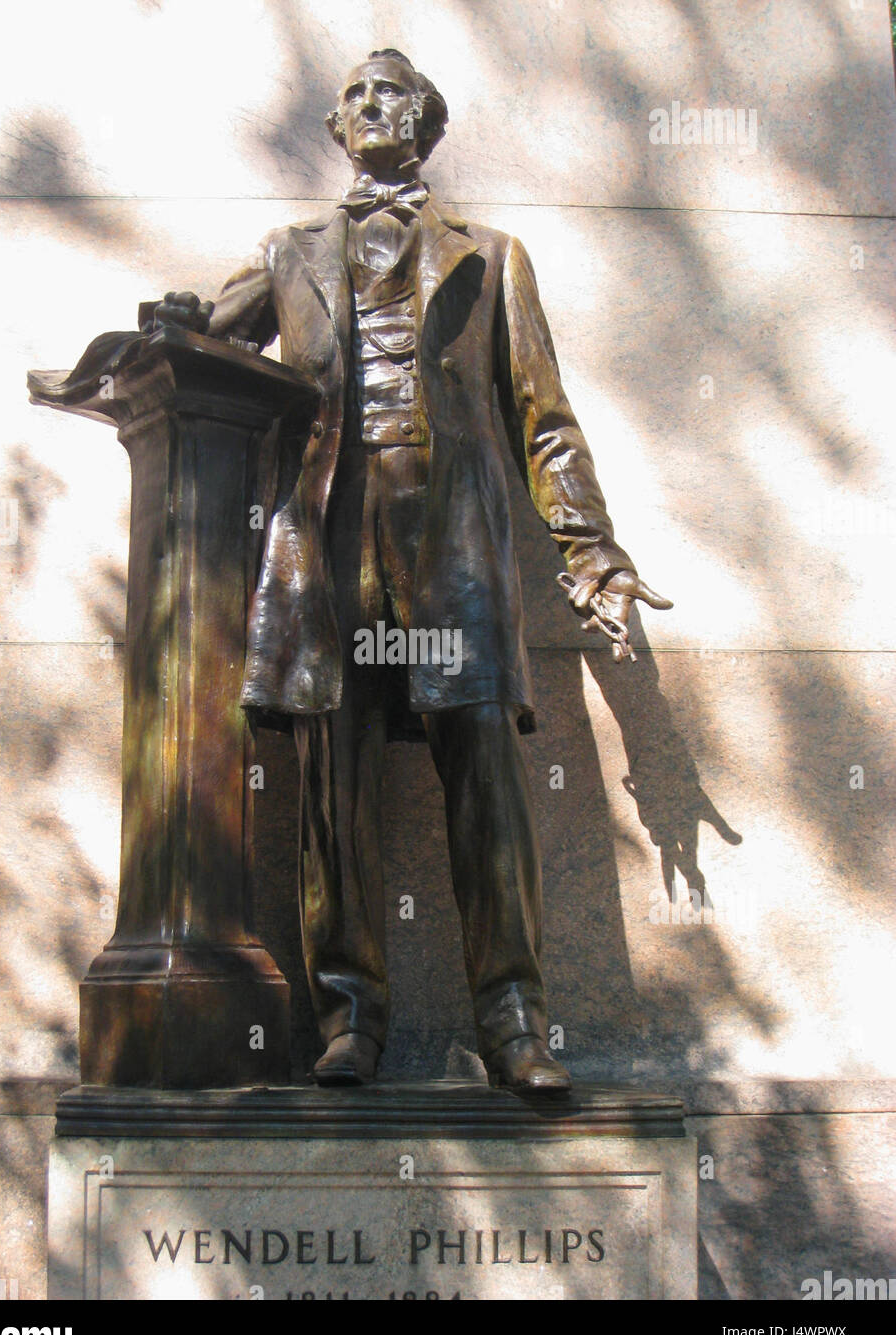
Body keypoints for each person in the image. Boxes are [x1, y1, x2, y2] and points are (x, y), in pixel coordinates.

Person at [151, 49, 670, 1091]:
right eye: (353, 96)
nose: (370, 105)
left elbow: (545, 421)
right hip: (330, 541)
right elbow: (208, 345)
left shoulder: (494, 257)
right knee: (333, 790)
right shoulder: (288, 252)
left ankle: (517, 1020)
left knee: (482, 772)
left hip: (454, 547)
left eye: (393, 93)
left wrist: (588, 544)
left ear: (426, 125)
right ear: (339, 131)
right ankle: (349, 1018)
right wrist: (165, 329)